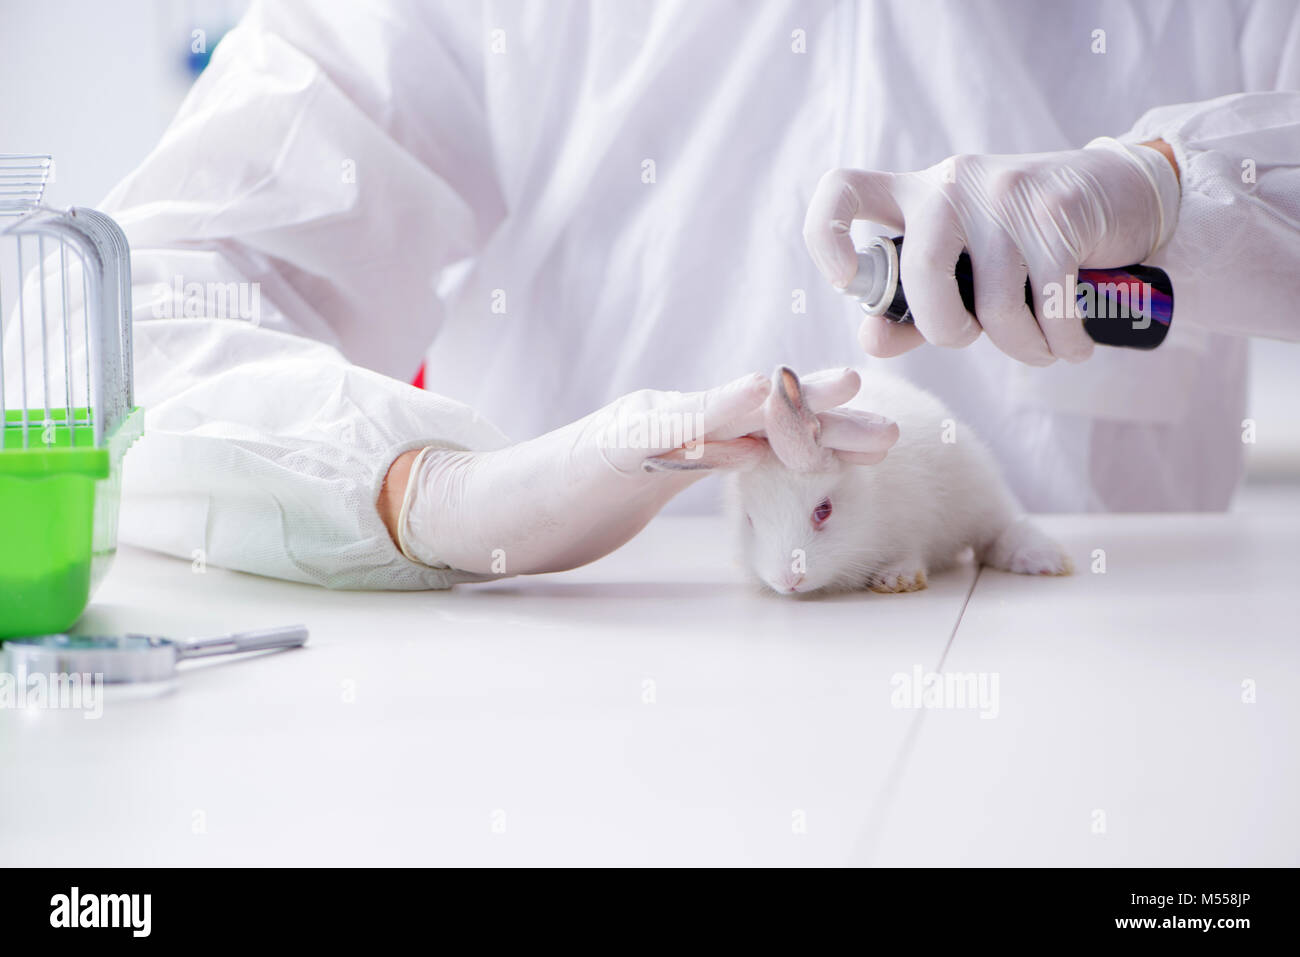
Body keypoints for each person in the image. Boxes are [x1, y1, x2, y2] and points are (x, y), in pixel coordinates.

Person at [49, 0, 1300, 587]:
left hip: (1110, 758)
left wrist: (1186, 193)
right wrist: (419, 492)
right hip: (578, 751)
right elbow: (120, 315)